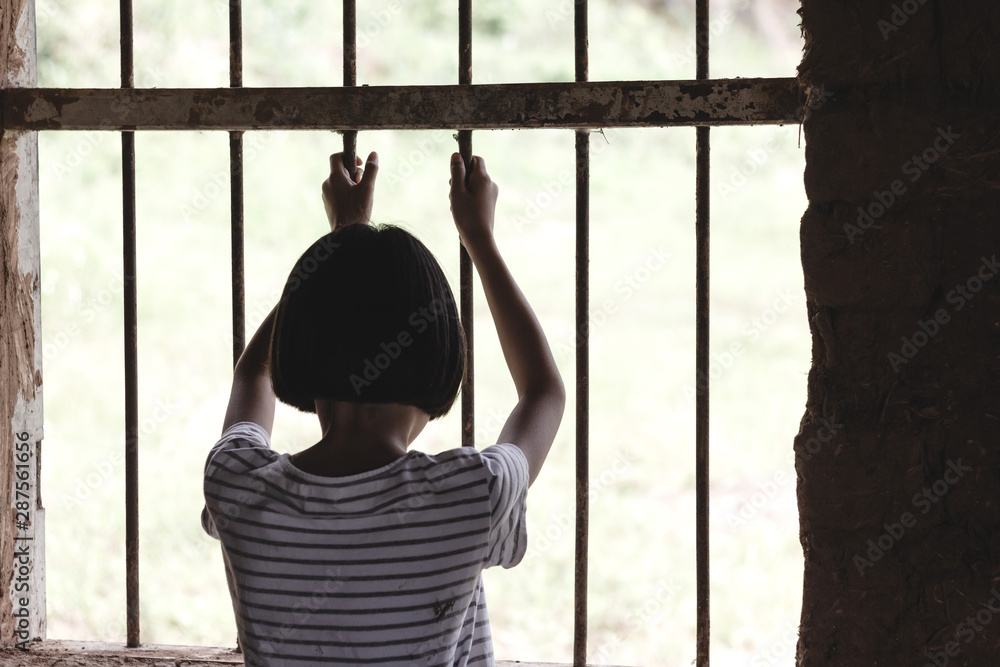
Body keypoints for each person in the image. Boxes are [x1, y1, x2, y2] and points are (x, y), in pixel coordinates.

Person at [201, 150, 565, 666]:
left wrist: (341, 247)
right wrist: (479, 239)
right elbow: (543, 392)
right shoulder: (471, 494)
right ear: (441, 359)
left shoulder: (235, 483)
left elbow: (251, 374)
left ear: (298, 347)